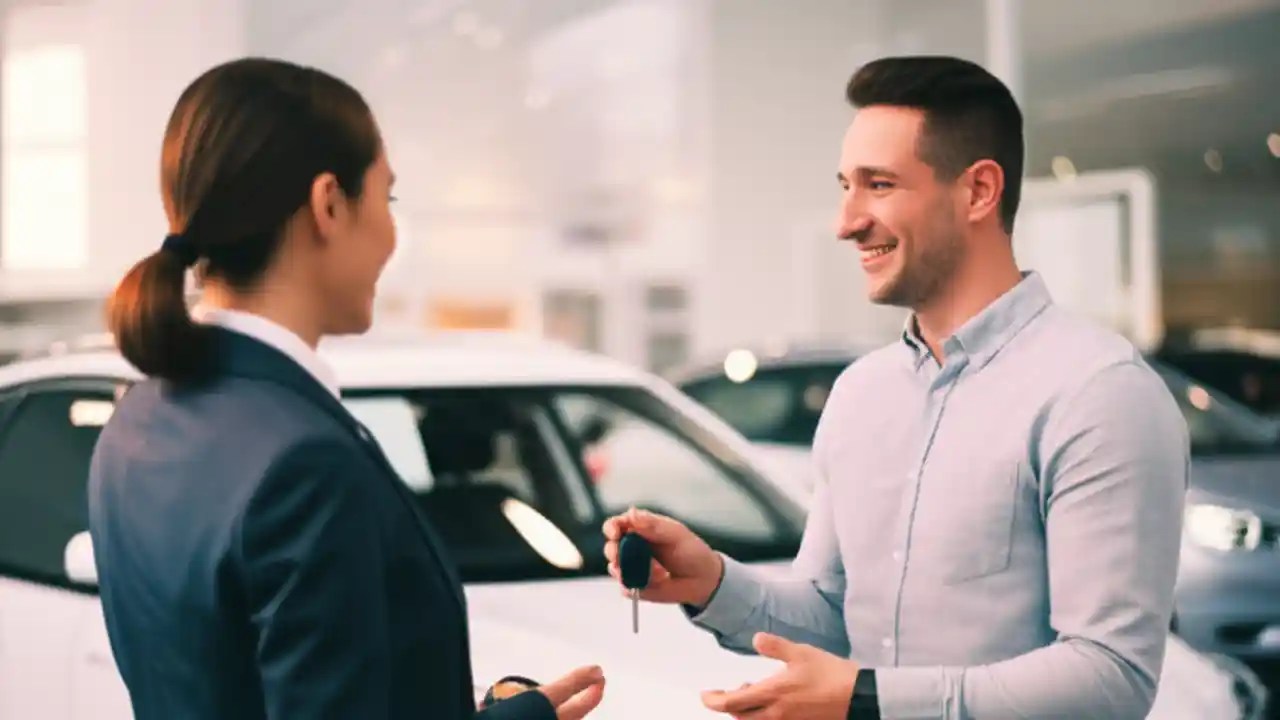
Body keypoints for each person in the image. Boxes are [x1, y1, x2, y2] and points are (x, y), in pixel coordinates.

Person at [604, 55, 1188, 719]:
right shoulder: (859, 396)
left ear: (978, 192)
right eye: (845, 186)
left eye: (878, 185)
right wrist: (709, 579)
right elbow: (834, 615)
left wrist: (865, 700)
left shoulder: (1098, 394)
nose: (846, 221)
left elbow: (1109, 678)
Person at [88, 57, 605, 720]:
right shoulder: (304, 464)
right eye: (387, 199)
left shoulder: (135, 423)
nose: (392, 235)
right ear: (328, 204)